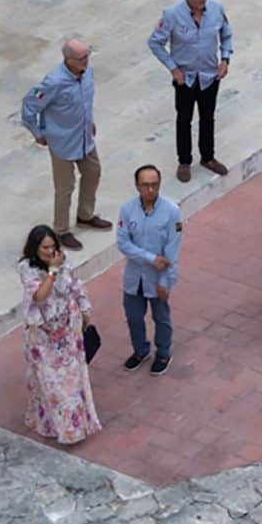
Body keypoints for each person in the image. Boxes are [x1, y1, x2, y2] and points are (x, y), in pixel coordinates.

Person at [18, 225, 103, 444]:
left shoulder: (65, 260)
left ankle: (73, 428)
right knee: (50, 384)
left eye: (53, 247)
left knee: (72, 381)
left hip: (67, 330)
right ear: (34, 248)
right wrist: (52, 271)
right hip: (43, 336)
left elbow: (75, 286)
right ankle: (51, 424)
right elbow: (39, 297)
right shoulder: (27, 267)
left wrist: (85, 308)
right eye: (45, 248)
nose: (50, 252)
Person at [21, 38, 107, 249]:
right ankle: (61, 230)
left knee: (93, 172)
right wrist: (38, 133)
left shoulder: (87, 73)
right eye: (81, 58)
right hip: (62, 142)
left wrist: (89, 121)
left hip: (84, 136)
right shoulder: (54, 82)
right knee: (65, 187)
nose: (85, 61)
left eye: (87, 56)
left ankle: (85, 215)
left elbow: (86, 100)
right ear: (67, 59)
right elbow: (29, 106)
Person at [147, 0, 232, 183]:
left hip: (210, 75)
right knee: (184, 119)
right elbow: (155, 43)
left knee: (208, 117)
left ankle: (208, 157)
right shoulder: (172, 15)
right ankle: (184, 161)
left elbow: (226, 34)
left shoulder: (216, 9)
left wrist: (225, 59)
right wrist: (173, 68)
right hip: (185, 79)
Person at [116, 165, 183, 375]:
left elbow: (172, 250)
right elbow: (123, 243)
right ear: (137, 186)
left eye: (154, 185)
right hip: (134, 277)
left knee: (161, 317)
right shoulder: (127, 210)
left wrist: (165, 281)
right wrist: (151, 258)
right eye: (145, 185)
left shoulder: (172, 212)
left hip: (158, 278)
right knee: (134, 317)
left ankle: (163, 352)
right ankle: (140, 350)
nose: (150, 190)